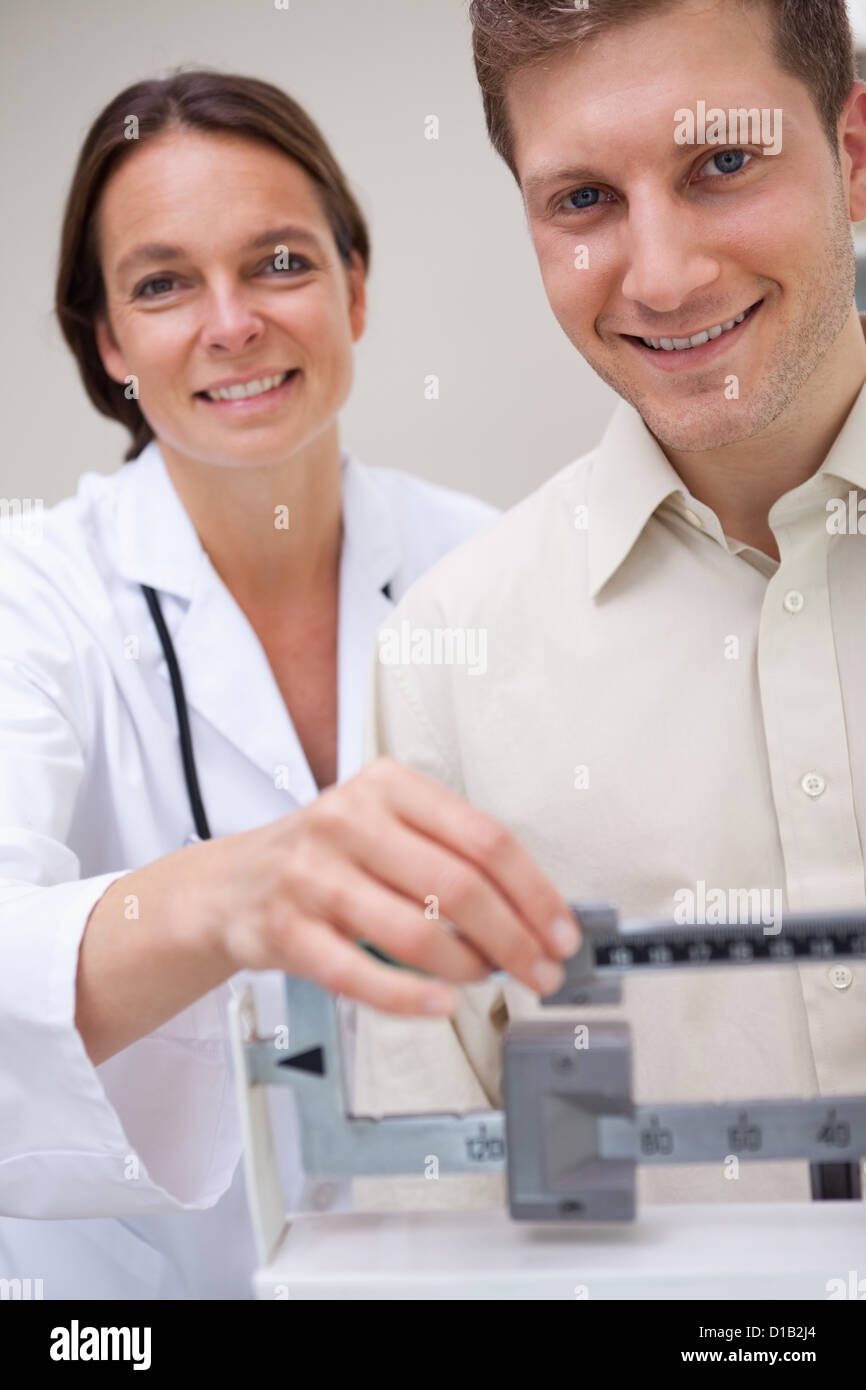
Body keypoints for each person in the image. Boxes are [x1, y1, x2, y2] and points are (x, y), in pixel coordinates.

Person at [0, 69, 581, 1299]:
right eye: (161, 284)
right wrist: (233, 896)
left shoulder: (490, 571)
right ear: (108, 343)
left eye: (277, 262)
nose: (231, 322)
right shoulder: (31, 595)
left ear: (353, 289)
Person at [353, 0, 866, 1214]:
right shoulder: (445, 660)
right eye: (581, 200)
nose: (665, 274)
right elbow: (431, 1216)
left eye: (722, 164)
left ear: (852, 152)